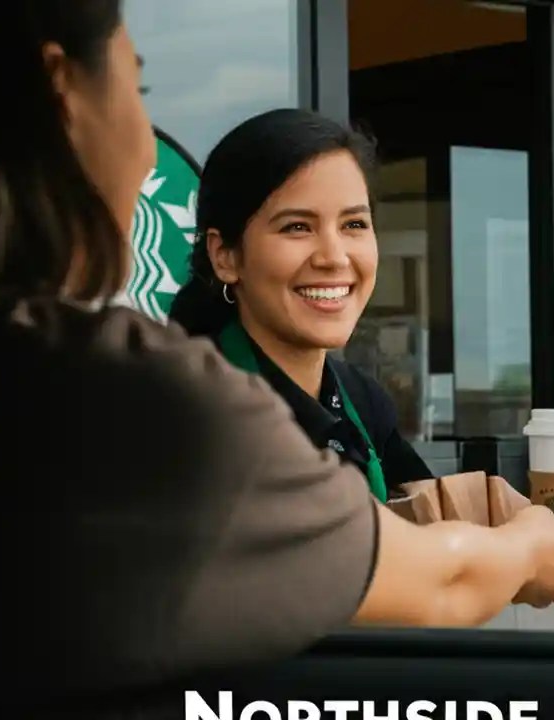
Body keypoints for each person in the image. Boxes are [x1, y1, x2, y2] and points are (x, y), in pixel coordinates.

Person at [0, 1, 554, 716]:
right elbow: (440, 582)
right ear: (65, 96)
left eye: (355, 224)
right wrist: (532, 546)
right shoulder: (144, 403)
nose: (334, 256)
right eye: (139, 89)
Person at [168, 109, 430, 500]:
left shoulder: (361, 400)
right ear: (225, 256)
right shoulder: (192, 413)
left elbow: (438, 511)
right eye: (297, 227)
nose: (334, 257)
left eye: (354, 224)